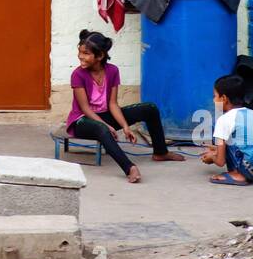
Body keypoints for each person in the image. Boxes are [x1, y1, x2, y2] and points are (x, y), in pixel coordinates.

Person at [66, 29, 183, 183]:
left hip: (105, 115)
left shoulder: (112, 71)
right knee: (102, 129)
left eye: (86, 53)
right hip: (82, 121)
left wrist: (125, 127)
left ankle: (160, 152)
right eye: (80, 52)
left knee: (150, 108)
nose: (80, 56)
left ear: (100, 56)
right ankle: (129, 168)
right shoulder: (78, 75)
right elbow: (85, 109)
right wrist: (106, 125)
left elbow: (112, 104)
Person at [202, 74, 253, 186]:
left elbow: (220, 162)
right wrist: (216, 149)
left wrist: (212, 157)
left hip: (249, 168)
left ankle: (238, 175)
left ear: (224, 99)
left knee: (222, 137)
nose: (214, 100)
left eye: (215, 96)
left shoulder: (224, 119)